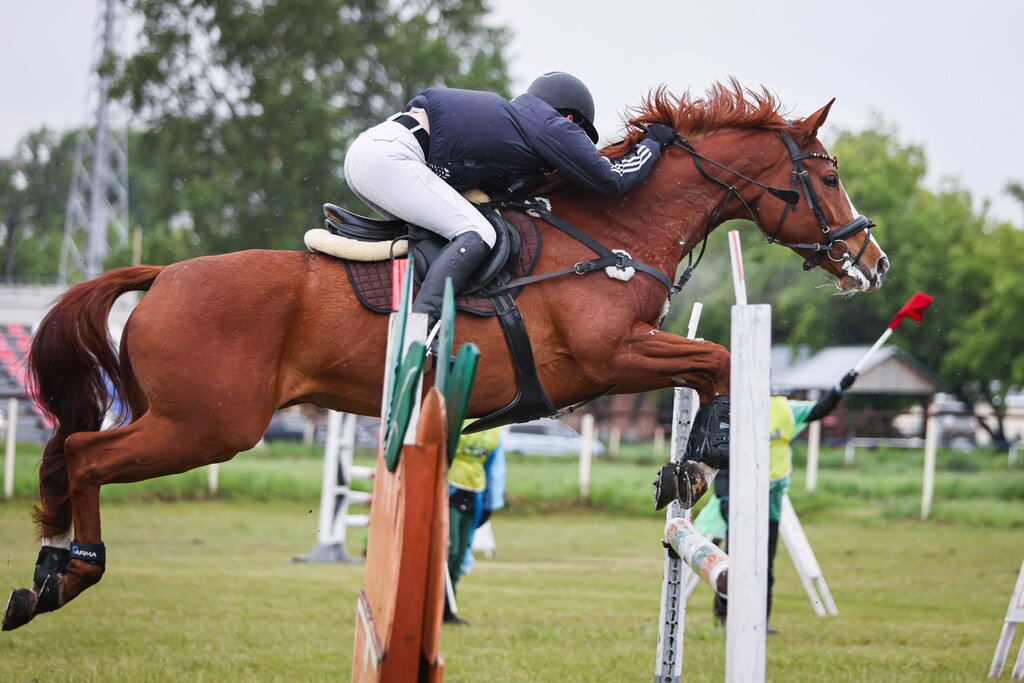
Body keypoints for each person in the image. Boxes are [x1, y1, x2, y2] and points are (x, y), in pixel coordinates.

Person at [343, 72, 677, 338]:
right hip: (391, 158)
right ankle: (421, 328)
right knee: (478, 232)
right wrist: (653, 143)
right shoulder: (551, 125)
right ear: (570, 117)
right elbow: (611, 179)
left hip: (371, 154)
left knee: (450, 232)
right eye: (578, 131)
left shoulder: (516, 123)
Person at [693, 370, 858, 633]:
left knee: (765, 564)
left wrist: (839, 389)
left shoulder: (784, 408)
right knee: (735, 561)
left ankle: (761, 621)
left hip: (770, 499)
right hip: (738, 498)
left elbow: (818, 410)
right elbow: (722, 458)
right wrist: (724, 496)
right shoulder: (733, 410)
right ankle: (725, 619)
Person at [444, 424, 505, 625]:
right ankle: (436, 606)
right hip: (448, 493)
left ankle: (447, 608)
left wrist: (490, 503)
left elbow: (495, 467)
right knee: (449, 552)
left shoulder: (494, 429)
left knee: (460, 555)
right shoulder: (455, 415)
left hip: (474, 494)